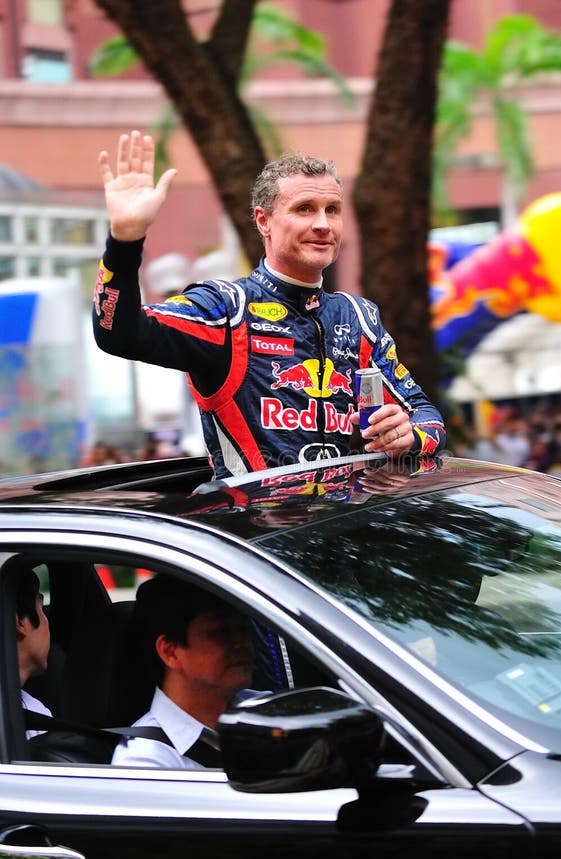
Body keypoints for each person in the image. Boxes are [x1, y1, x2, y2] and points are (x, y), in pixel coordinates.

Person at [93, 131, 446, 479]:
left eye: (332, 210)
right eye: (304, 209)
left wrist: (409, 435)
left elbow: (427, 416)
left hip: (337, 528)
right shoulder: (226, 308)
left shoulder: (358, 318)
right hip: (251, 530)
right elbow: (119, 334)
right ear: (263, 221)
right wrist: (124, 242)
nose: (322, 224)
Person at [112, 575, 263, 769]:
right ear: (170, 652)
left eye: (242, 628)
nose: (242, 643)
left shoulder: (268, 710)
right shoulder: (146, 762)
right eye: (218, 632)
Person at [12, 563, 52, 739]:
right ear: (19, 622)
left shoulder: (35, 710)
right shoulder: (35, 713)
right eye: (41, 609)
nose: (47, 621)